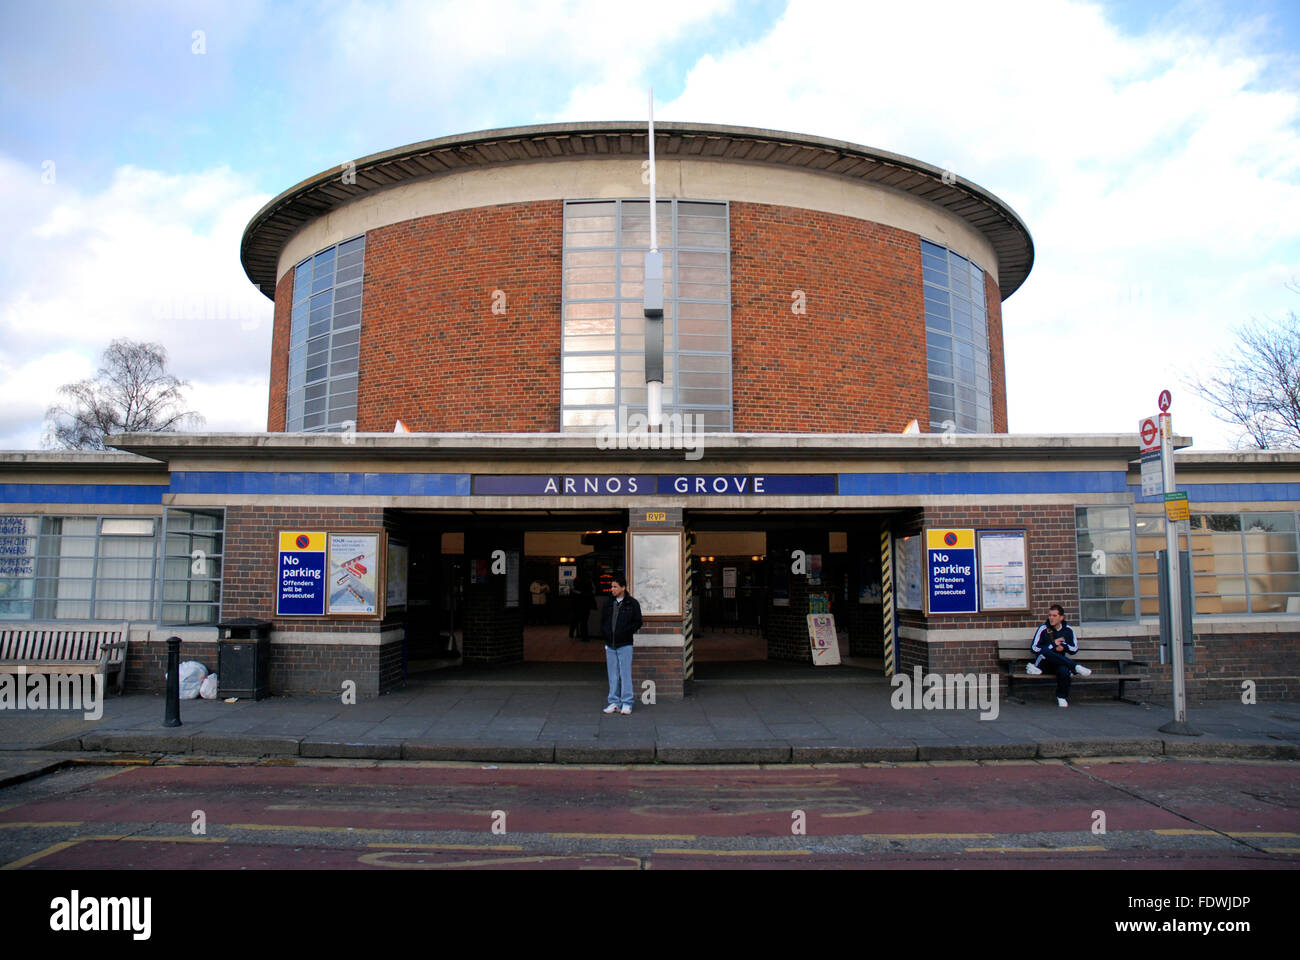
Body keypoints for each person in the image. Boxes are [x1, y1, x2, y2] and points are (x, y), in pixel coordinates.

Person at [1026, 602, 1091, 706]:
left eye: (1054, 616)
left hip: (1058, 663)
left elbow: (1074, 649)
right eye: (1050, 615)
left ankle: (1061, 697)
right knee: (1046, 651)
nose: (1051, 618)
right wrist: (1052, 644)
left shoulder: (1068, 630)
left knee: (1064, 670)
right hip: (1043, 664)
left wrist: (1064, 646)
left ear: (1061, 618)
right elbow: (1034, 648)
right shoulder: (1043, 629)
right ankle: (1075, 667)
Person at [600, 576, 642, 715]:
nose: (612, 589)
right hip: (610, 643)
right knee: (612, 674)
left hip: (625, 643)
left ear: (623, 588)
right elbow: (603, 621)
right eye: (611, 587)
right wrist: (606, 634)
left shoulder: (632, 603)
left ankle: (627, 702)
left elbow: (638, 621)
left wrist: (626, 632)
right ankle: (613, 702)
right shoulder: (608, 603)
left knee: (625, 673)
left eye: (615, 587)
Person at [569, 575, 594, 640]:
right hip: (585, 604)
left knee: (575, 619)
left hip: (576, 604)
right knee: (584, 621)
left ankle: (572, 632)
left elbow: (572, 590)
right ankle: (584, 636)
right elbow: (594, 591)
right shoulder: (589, 582)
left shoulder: (574, 582)